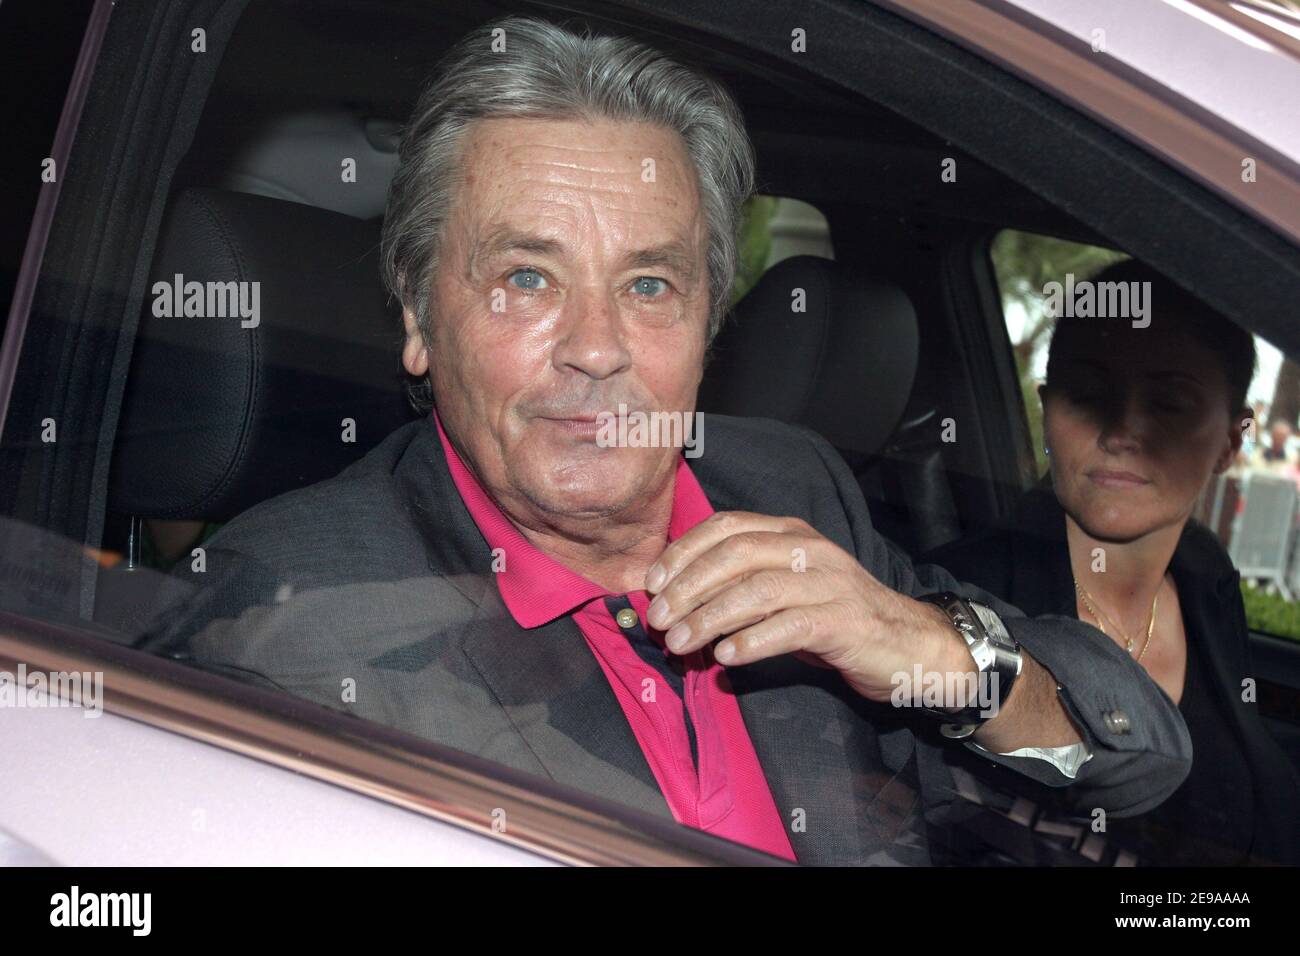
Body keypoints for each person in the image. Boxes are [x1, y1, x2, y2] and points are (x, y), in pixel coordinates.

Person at [137, 17, 1191, 865]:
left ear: (707, 325)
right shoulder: (283, 617)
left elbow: (1137, 756)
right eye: (526, 279)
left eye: (648, 282)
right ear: (416, 316)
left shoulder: (789, 487)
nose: (595, 347)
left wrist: (936, 651)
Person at [926, 259, 1300, 865]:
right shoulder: (956, 601)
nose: (1122, 429)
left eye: (1169, 403)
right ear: (1048, 411)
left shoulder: (1206, 578)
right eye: (1089, 393)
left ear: (1231, 442)